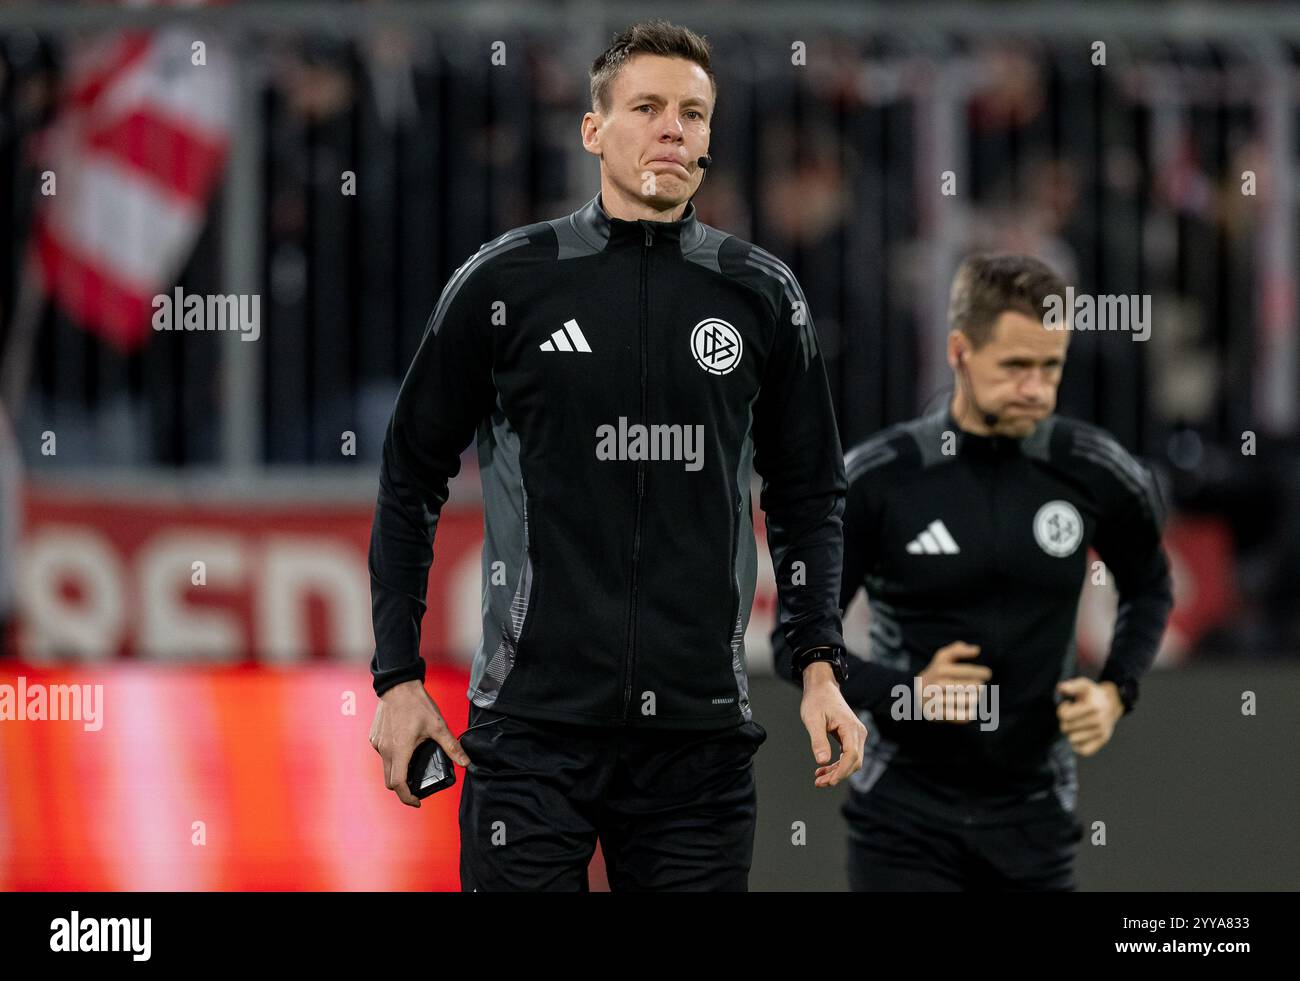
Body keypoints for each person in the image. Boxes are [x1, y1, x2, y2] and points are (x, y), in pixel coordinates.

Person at [367, 20, 865, 892]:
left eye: (694, 113)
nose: (674, 128)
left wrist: (820, 665)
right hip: (530, 732)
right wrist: (397, 677)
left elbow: (809, 492)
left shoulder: (760, 294)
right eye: (648, 106)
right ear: (593, 131)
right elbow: (411, 471)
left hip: (698, 745)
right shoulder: (505, 283)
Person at [775, 253, 1174, 891]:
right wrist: (906, 693)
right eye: (1016, 366)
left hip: (1035, 816)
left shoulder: (1096, 470)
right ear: (960, 351)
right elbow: (795, 638)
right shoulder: (881, 478)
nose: (1038, 389)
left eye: (1051, 366)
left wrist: (1114, 689)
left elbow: (1150, 585)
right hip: (903, 817)